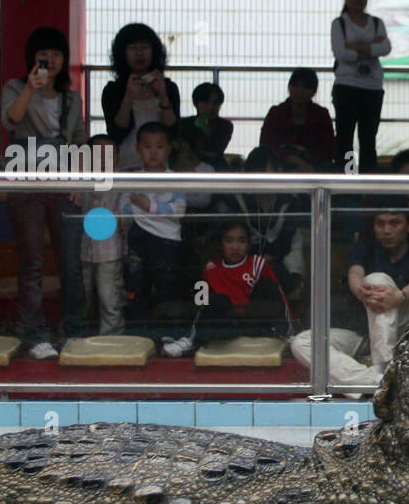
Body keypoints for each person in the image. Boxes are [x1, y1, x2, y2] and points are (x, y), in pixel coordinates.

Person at [1, 25, 90, 358]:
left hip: (64, 181)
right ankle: (35, 334)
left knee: (71, 260)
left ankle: (74, 330)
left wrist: (81, 182)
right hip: (26, 179)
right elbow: (11, 120)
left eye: (56, 54)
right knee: (32, 262)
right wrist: (29, 87)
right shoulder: (15, 87)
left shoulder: (71, 97)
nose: (50, 60)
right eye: (43, 55)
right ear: (32, 59)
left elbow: (80, 141)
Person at [289, 195, 409, 392]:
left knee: (377, 281)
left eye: (395, 223)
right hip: (364, 332)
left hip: (407, 328)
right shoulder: (364, 248)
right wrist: (361, 290)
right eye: (380, 224)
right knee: (302, 342)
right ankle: (374, 380)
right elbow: (355, 274)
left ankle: (384, 365)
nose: (387, 230)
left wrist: (399, 297)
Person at [162, 220, 291, 358]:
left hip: (252, 322)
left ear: (248, 244)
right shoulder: (211, 267)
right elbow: (201, 305)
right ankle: (191, 341)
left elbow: (279, 297)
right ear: (221, 245)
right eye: (229, 241)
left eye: (241, 241)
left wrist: (290, 330)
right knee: (215, 299)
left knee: (267, 285)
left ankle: (287, 337)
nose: (235, 247)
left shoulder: (257, 263)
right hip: (226, 326)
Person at [213, 146, 307, 298]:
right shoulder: (238, 200)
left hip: (281, 262)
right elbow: (234, 236)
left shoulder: (290, 201)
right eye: (260, 173)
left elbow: (286, 241)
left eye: (270, 174)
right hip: (243, 262)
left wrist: (268, 259)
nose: (265, 180)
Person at [122, 123, 187, 327]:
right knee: (136, 284)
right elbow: (124, 210)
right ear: (138, 148)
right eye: (147, 146)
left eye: (159, 147)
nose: (153, 152)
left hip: (166, 242)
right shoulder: (132, 178)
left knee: (166, 287)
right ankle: (139, 332)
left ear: (169, 149)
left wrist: (148, 205)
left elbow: (179, 210)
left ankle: (169, 332)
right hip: (138, 237)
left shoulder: (174, 180)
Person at [331, 0, 390, 173]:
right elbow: (340, 53)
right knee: (345, 138)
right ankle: (347, 178)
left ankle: (367, 181)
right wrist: (371, 46)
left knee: (368, 139)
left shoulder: (376, 22)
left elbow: (386, 48)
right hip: (346, 87)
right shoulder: (339, 23)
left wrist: (355, 46)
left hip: (372, 88)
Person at [101, 22, 180, 171]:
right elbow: (116, 132)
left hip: (160, 165)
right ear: (122, 53)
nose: (139, 53)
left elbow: (173, 130)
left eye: (144, 47)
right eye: (132, 48)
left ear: (154, 51)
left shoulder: (168, 87)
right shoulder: (113, 90)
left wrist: (163, 96)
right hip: (125, 163)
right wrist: (128, 96)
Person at [78, 137, 130, 337]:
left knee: (110, 297)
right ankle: (82, 336)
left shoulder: (122, 180)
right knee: (83, 295)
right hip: (84, 250)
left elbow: (126, 217)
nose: (104, 160)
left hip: (111, 251)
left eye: (110, 154)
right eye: (98, 155)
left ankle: (112, 338)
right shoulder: (80, 180)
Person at [260, 68, 336, 169]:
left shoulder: (321, 114)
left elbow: (328, 147)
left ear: (314, 92)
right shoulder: (276, 113)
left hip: (314, 168)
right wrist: (294, 160)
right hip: (280, 166)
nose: (299, 91)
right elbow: (266, 146)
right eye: (295, 85)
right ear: (289, 87)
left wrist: (309, 164)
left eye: (306, 87)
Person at [178, 82, 233, 171]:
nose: (211, 107)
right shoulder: (185, 123)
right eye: (205, 102)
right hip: (189, 167)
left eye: (215, 103)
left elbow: (216, 152)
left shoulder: (225, 125)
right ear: (196, 104)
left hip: (217, 168)